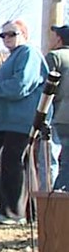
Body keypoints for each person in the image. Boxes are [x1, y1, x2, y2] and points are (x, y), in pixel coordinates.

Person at [0, 20, 44, 224]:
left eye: (12, 33)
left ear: (24, 34)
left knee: (13, 163)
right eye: (3, 35)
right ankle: (30, 212)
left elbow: (21, 85)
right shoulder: (14, 56)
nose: (7, 38)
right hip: (11, 120)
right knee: (24, 165)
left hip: (22, 119)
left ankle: (14, 212)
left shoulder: (28, 53)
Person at [47, 25, 69, 191]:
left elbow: (46, 89)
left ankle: (53, 199)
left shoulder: (55, 57)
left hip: (60, 115)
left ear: (59, 39)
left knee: (53, 160)